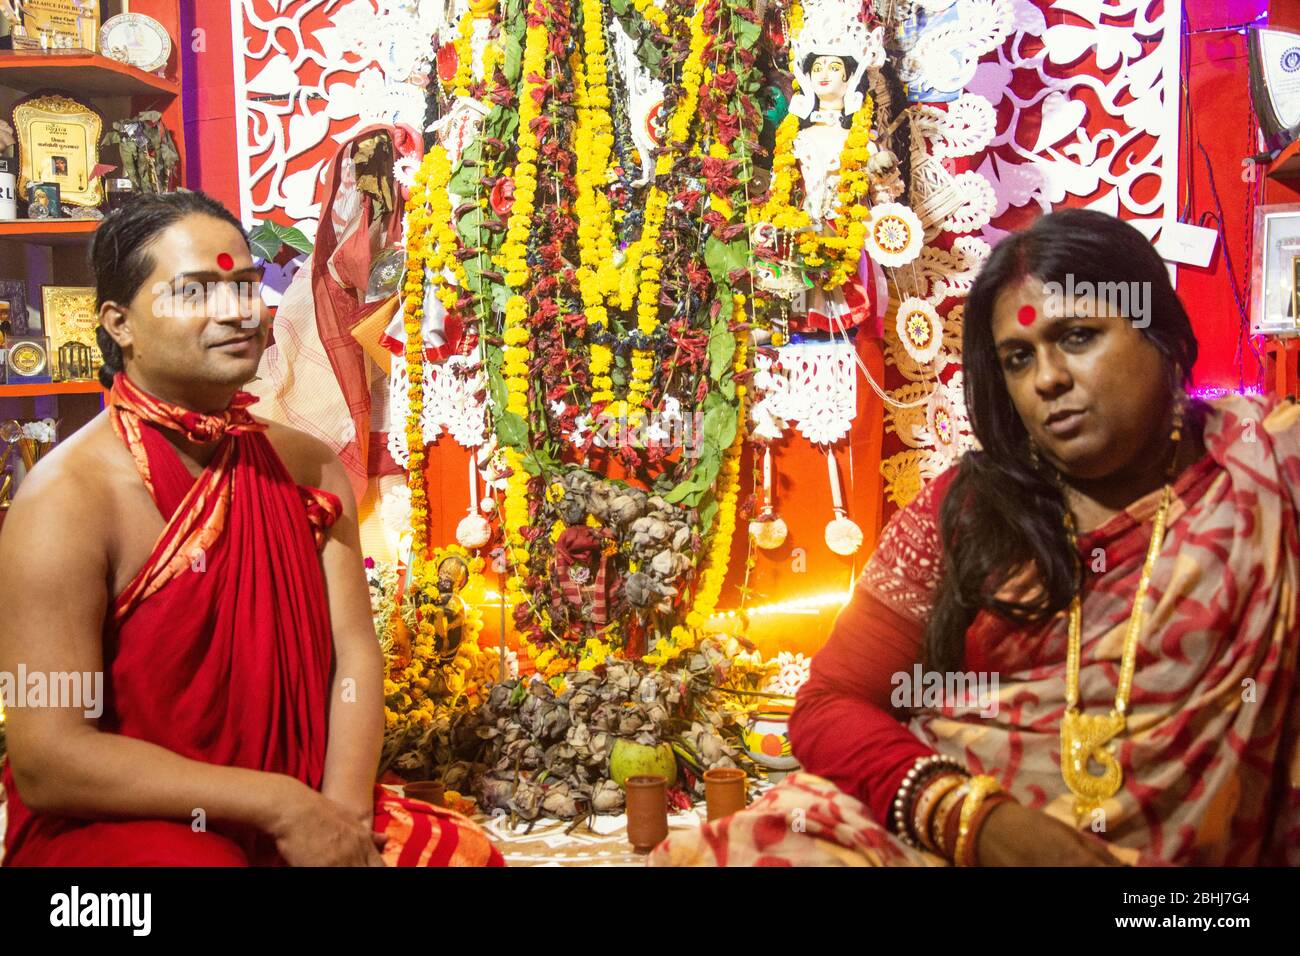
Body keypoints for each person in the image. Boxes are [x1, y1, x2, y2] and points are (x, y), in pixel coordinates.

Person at [650, 209, 1300, 866]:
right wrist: (974, 820)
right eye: (1019, 358)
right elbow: (830, 704)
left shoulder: (1265, 476)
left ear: (1159, 333)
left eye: (1077, 336)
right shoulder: (968, 508)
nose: (1047, 378)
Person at [0, 191, 501, 866]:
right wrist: (279, 805)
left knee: (461, 854)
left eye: (244, 285)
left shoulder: (307, 466)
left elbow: (355, 657)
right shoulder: (66, 500)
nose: (237, 310)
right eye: (197, 291)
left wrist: (339, 819)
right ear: (119, 323)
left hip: (295, 813)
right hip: (121, 832)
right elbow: (49, 757)